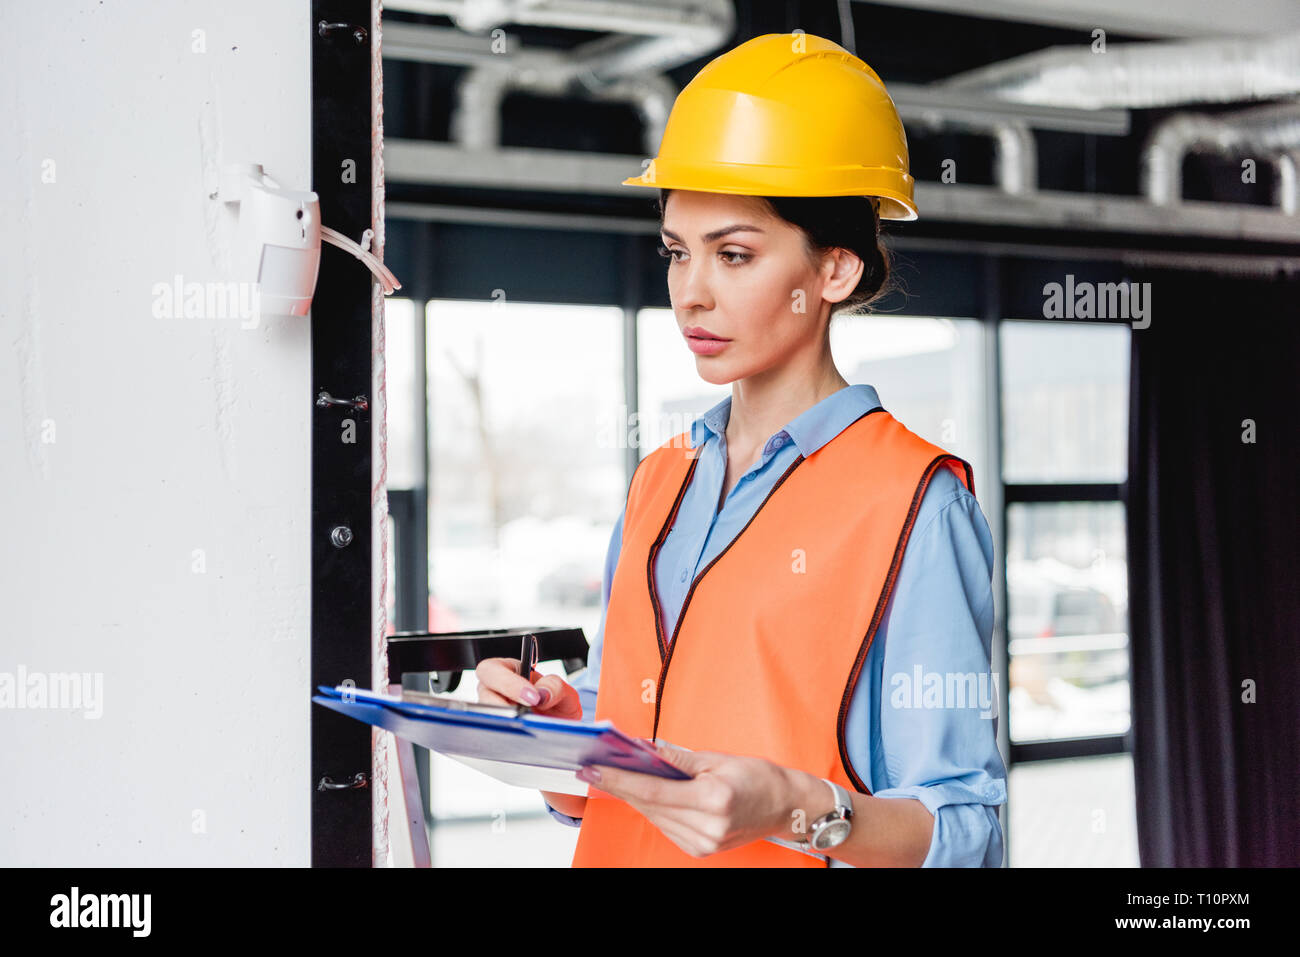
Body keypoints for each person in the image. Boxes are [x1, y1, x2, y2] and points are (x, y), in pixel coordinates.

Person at [475, 31, 1007, 867]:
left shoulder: (916, 500)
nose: (691, 291)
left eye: (733, 254)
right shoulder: (660, 479)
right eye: (677, 252)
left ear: (832, 270)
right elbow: (636, 752)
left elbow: (968, 833)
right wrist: (558, 724)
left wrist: (798, 810)